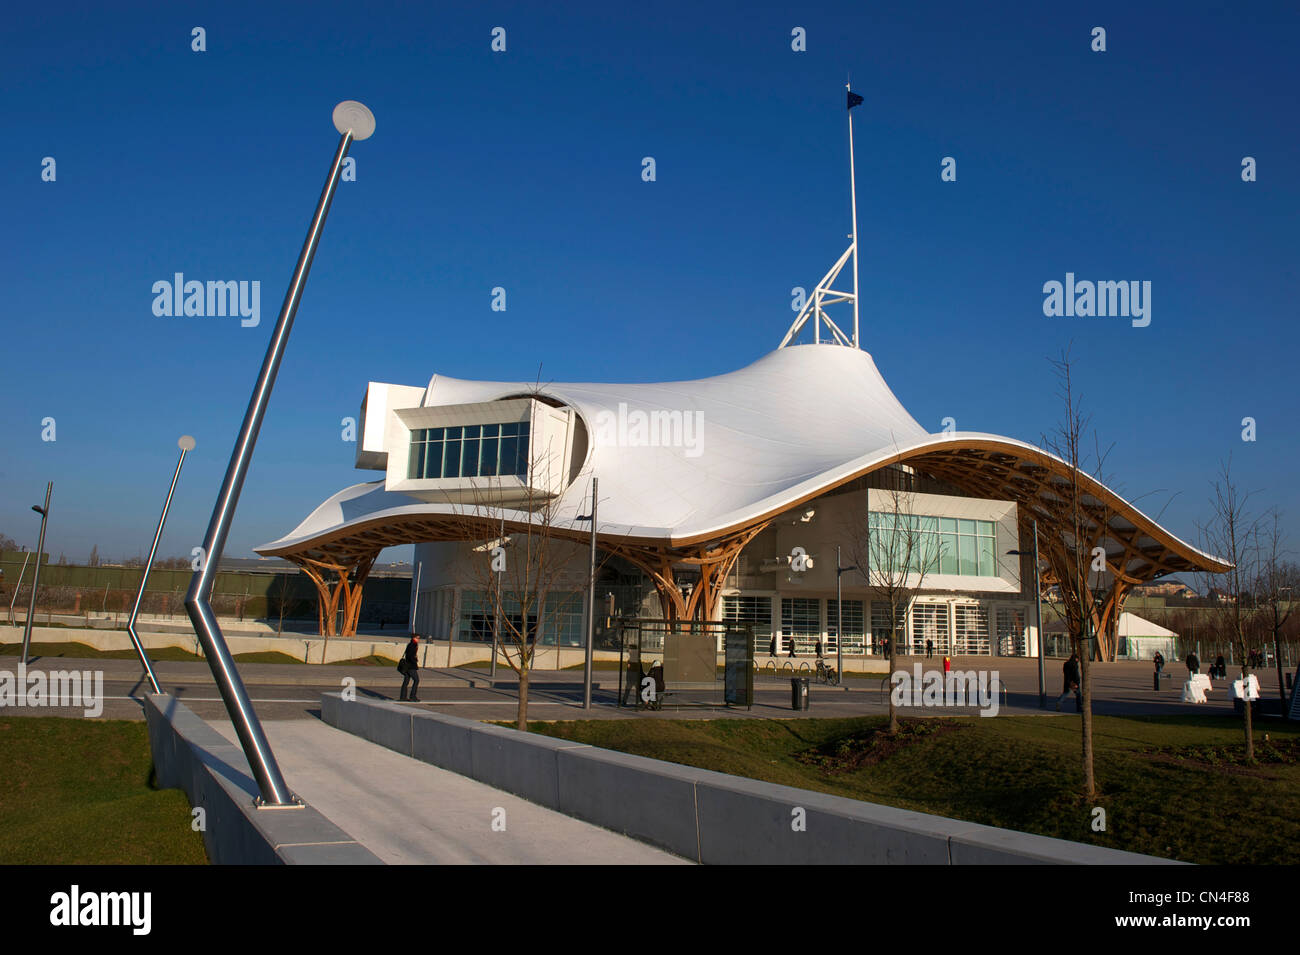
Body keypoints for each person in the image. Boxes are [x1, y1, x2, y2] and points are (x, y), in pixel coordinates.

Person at [399, 634, 421, 702]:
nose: (418, 639)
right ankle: (412, 696)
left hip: (407, 666)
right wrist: (415, 660)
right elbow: (411, 656)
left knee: (406, 681)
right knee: (416, 680)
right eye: (417, 638)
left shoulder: (410, 644)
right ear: (414, 638)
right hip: (411, 666)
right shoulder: (413, 645)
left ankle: (403, 697)